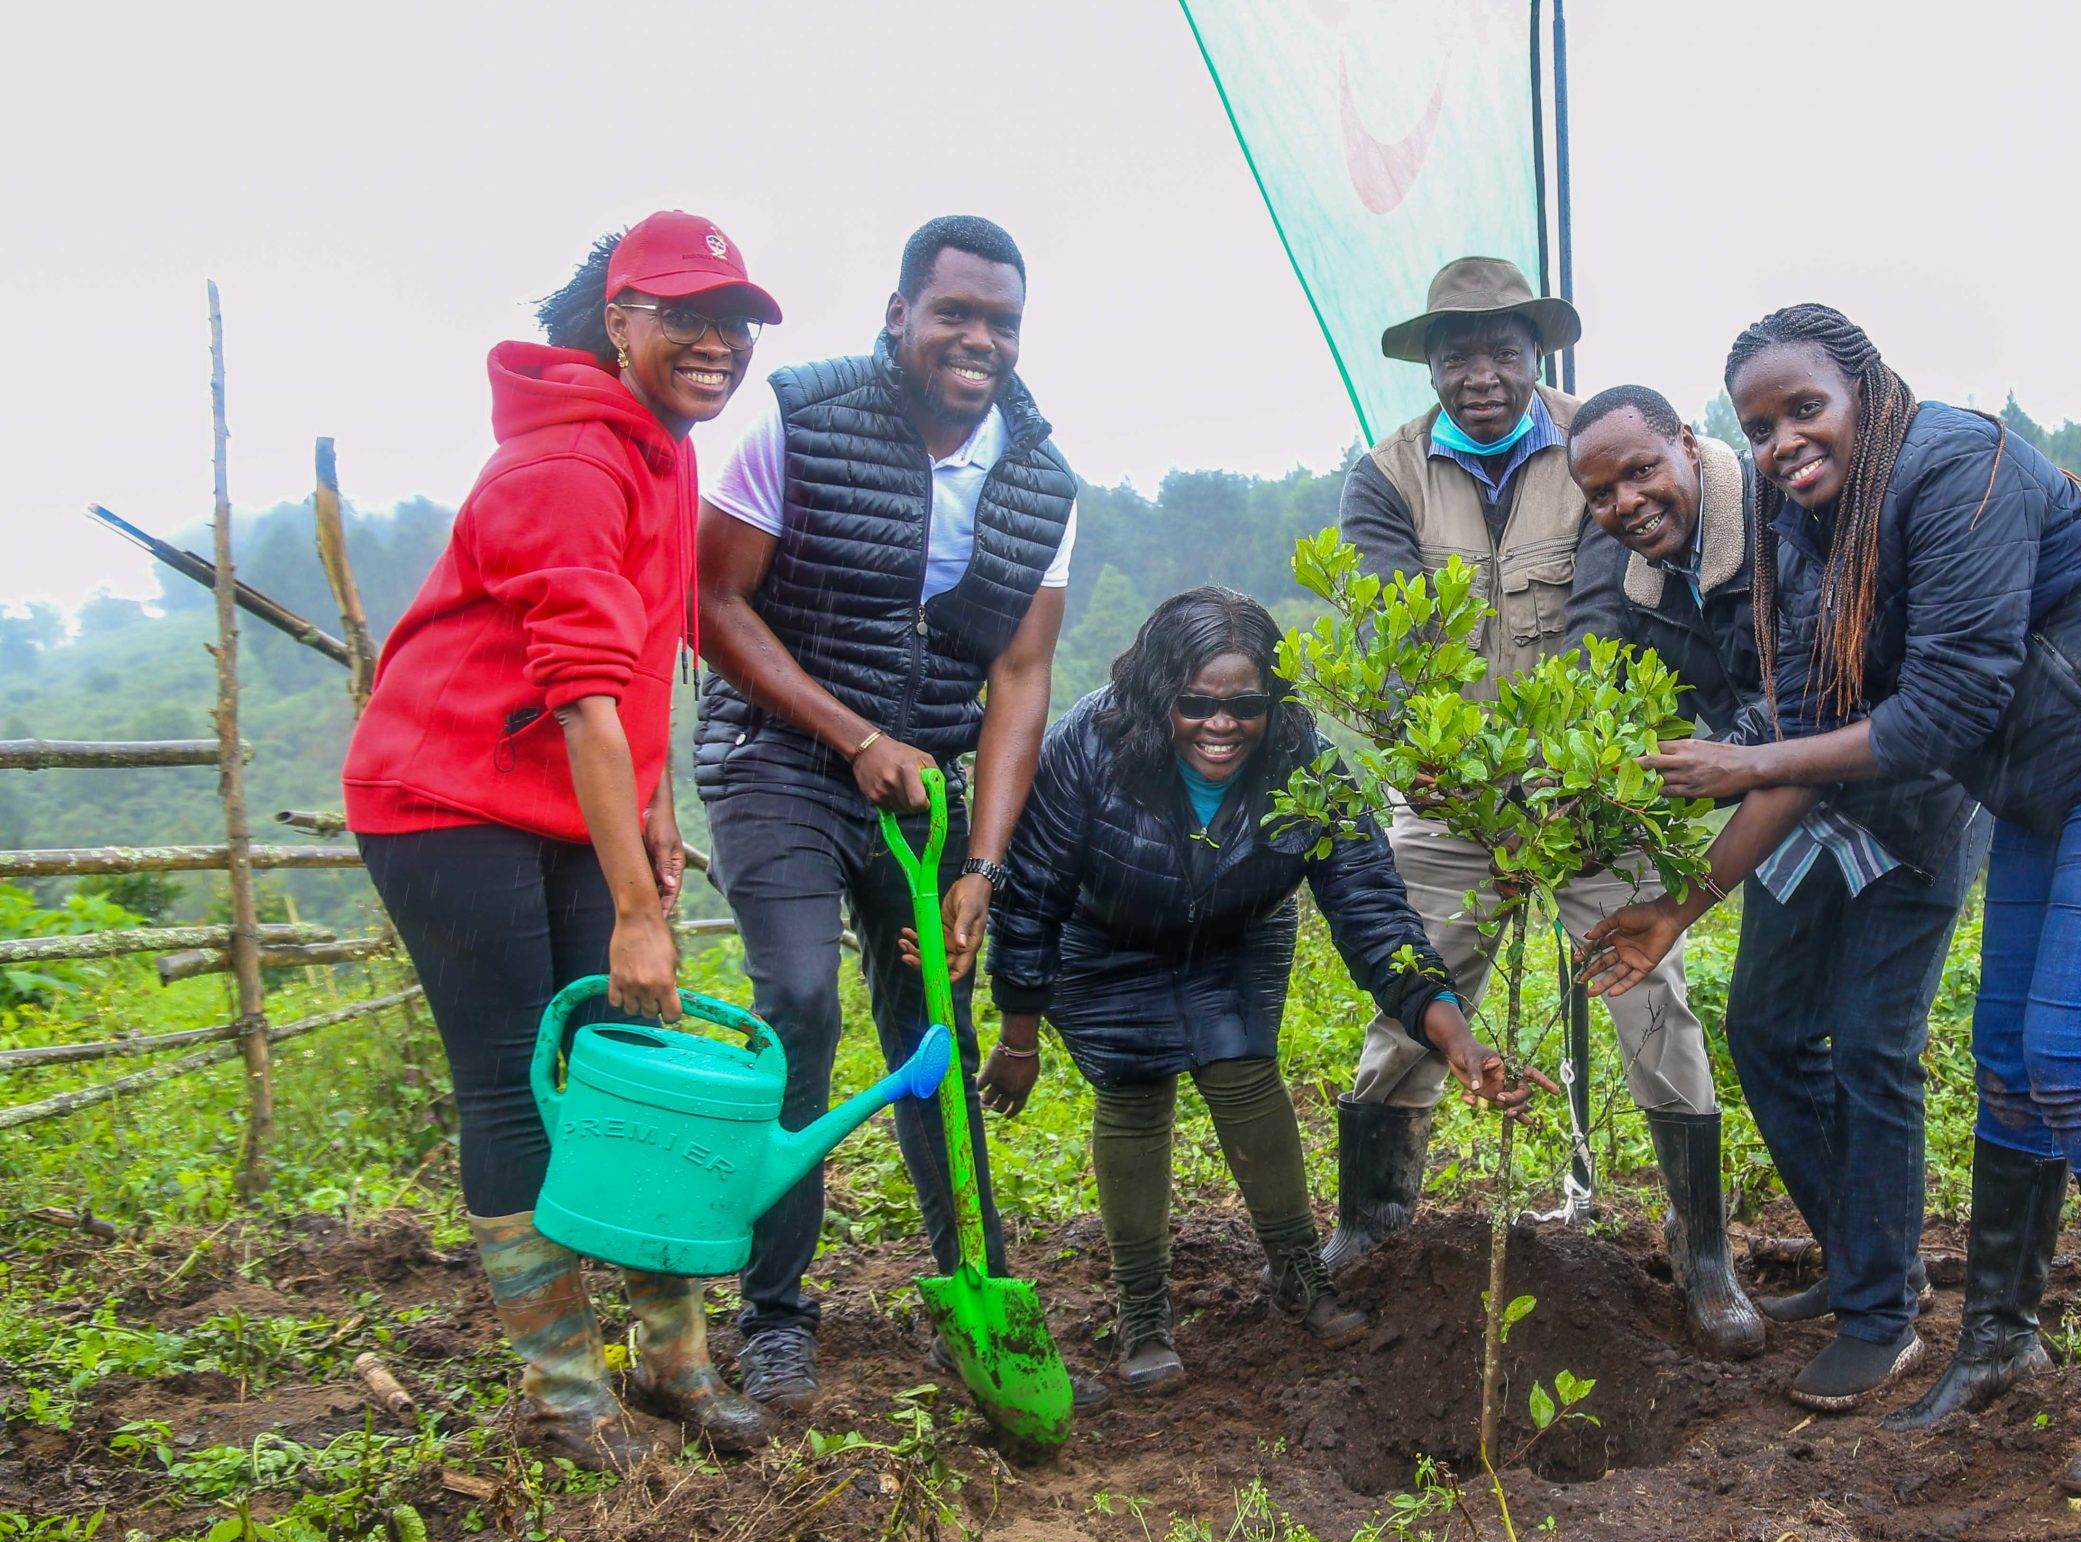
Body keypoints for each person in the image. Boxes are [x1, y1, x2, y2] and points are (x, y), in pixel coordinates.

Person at [1584, 306, 2081, 1483]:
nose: (1782, 440)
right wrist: (1684, 903)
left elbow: (1946, 710)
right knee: (2007, 1056)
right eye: (1757, 426)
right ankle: (2001, 1340)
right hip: (2048, 780)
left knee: (2073, 1061)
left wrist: (1748, 764)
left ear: (1863, 388)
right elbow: (1817, 713)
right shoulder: (1802, 518)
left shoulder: (1958, 467)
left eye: (1803, 408)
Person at [343, 212, 784, 1468]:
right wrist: (638, 913)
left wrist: (648, 820)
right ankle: (564, 1398)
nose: (719, 341)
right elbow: (584, 690)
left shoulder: (662, 448)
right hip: (445, 802)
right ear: (619, 320)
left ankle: (671, 1371)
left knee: (637, 1062)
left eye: (738, 320)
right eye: (689, 315)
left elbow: (642, 661)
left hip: (564, 798)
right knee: (516, 1083)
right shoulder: (566, 467)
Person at [1331, 259, 1757, 1360]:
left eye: (1503, 351)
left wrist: (1553, 786)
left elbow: (1599, 624)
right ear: (1430, 364)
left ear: (1538, 353)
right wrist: (1459, 772)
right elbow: (1385, 643)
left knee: (1649, 999)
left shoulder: (1596, 448)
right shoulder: (1383, 476)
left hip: (1587, 786)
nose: (1481, 376)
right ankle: (1371, 1228)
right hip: (1446, 790)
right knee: (1409, 1005)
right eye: (1456, 355)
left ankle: (1701, 1251)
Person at [691, 216, 1077, 1415]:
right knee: (799, 1002)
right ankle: (773, 1314)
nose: (978, 339)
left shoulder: (1040, 478)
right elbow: (714, 603)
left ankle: (970, 1281)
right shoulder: (797, 420)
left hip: (926, 787)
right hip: (778, 761)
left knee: (934, 1030)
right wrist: (849, 735)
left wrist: (986, 866)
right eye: (954, 312)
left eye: (1000, 320)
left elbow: (1018, 677)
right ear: (901, 312)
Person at [982, 589, 1541, 1391]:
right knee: (1134, 1090)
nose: (1223, 725)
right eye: (1198, 704)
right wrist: (1018, 1037)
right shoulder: (1090, 745)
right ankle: (1143, 1311)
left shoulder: (1303, 760)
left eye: (1246, 704)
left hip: (1236, 934)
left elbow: (1373, 911)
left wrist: (1454, 1037)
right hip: (1104, 940)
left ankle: (1298, 1274)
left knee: (1243, 1072)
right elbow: (1032, 893)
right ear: (1158, 694)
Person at [1566, 386, 1988, 1413]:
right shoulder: (1630, 568)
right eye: (1600, 490)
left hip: (1906, 794)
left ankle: (1886, 1322)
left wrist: (1683, 898)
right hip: (1791, 800)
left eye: (1639, 470)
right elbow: (1620, 692)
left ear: (1686, 442)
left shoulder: (1783, 521)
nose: (1625, 500)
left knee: (1870, 1042)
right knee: (1765, 1030)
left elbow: (1810, 723)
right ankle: (1864, 1266)